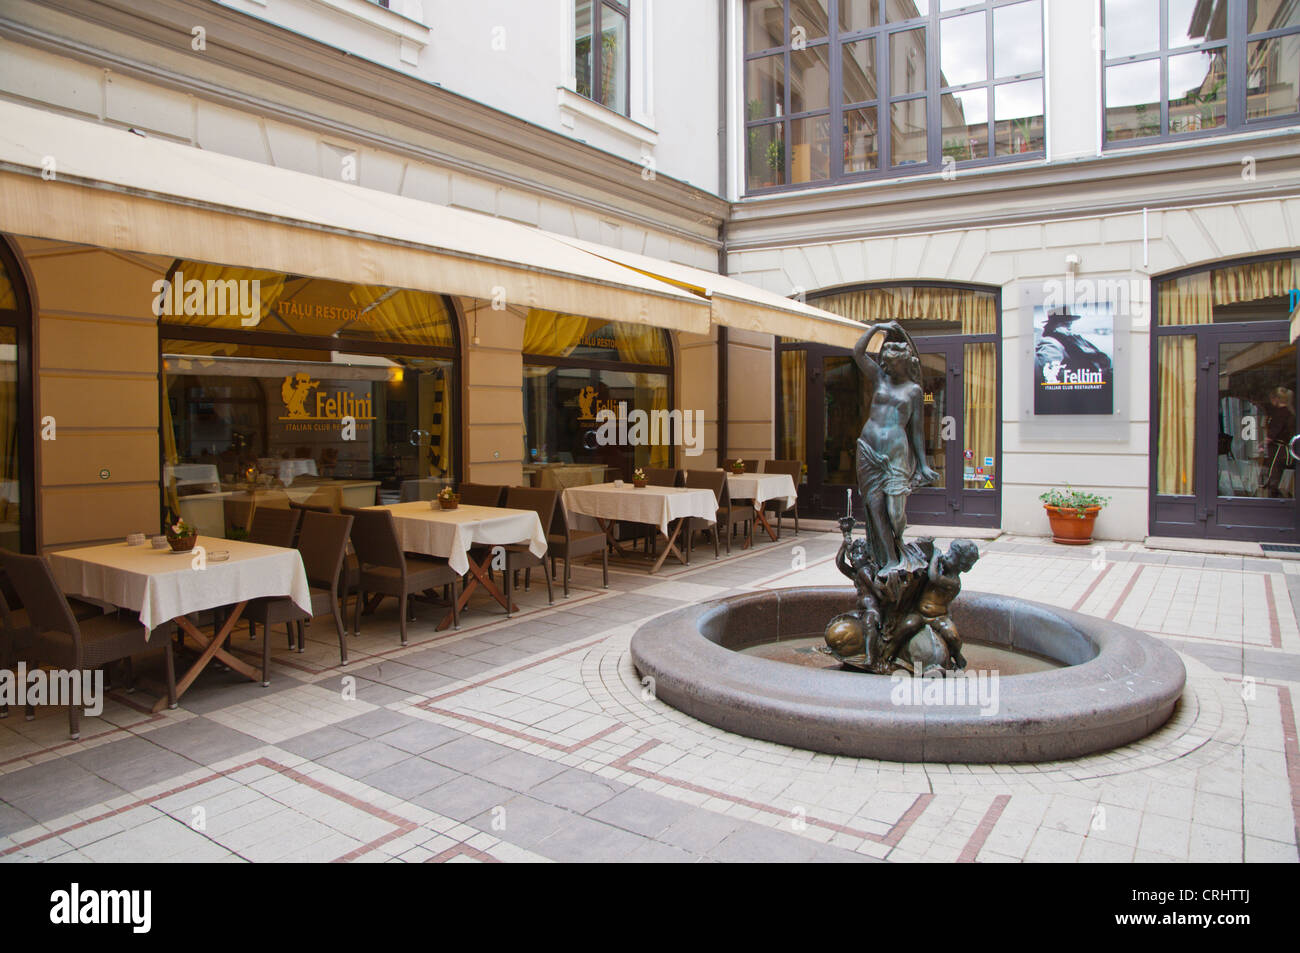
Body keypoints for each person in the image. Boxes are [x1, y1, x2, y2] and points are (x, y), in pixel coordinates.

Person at [851, 322, 940, 570]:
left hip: (895, 454)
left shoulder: (913, 391)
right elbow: (858, 353)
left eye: (891, 363)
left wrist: (923, 465)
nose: (886, 366)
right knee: (875, 505)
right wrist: (876, 328)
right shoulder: (879, 378)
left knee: (895, 512)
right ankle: (890, 559)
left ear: (903, 363)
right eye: (885, 362)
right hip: (868, 449)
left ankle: (898, 541)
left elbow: (917, 431)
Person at [884, 539, 981, 671]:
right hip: (919, 613)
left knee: (953, 637)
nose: (946, 556)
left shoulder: (954, 581)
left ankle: (956, 654)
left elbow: (934, 576)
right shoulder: (940, 567)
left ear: (962, 566)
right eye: (948, 552)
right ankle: (889, 654)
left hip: (938, 617)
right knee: (907, 627)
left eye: (952, 556)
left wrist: (935, 554)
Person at [1034, 310, 1113, 415]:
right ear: (1054, 324)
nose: (1069, 324)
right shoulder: (1050, 342)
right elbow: (1052, 376)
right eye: (1065, 322)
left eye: (1069, 321)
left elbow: (1100, 355)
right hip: (1084, 395)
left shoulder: (1073, 338)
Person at [1262, 386, 1296, 499]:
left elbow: (1274, 431)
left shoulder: (1280, 414)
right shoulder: (1290, 413)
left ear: (1276, 399)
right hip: (1285, 449)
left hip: (1278, 449)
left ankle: (1273, 498)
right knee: (1277, 475)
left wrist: (1264, 442)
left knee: (1273, 477)